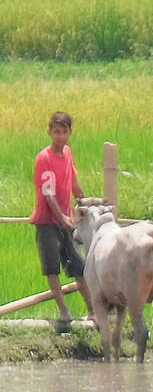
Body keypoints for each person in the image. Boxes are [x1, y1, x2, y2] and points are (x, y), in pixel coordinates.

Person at [30, 111, 93, 334]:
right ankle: (64, 311)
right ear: (49, 132)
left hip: (66, 220)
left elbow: (73, 180)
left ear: (70, 133)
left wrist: (82, 200)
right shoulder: (44, 158)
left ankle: (93, 311)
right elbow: (48, 195)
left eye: (63, 132)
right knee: (52, 267)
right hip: (48, 222)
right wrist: (63, 219)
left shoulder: (67, 153)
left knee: (79, 267)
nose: (59, 136)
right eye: (55, 132)